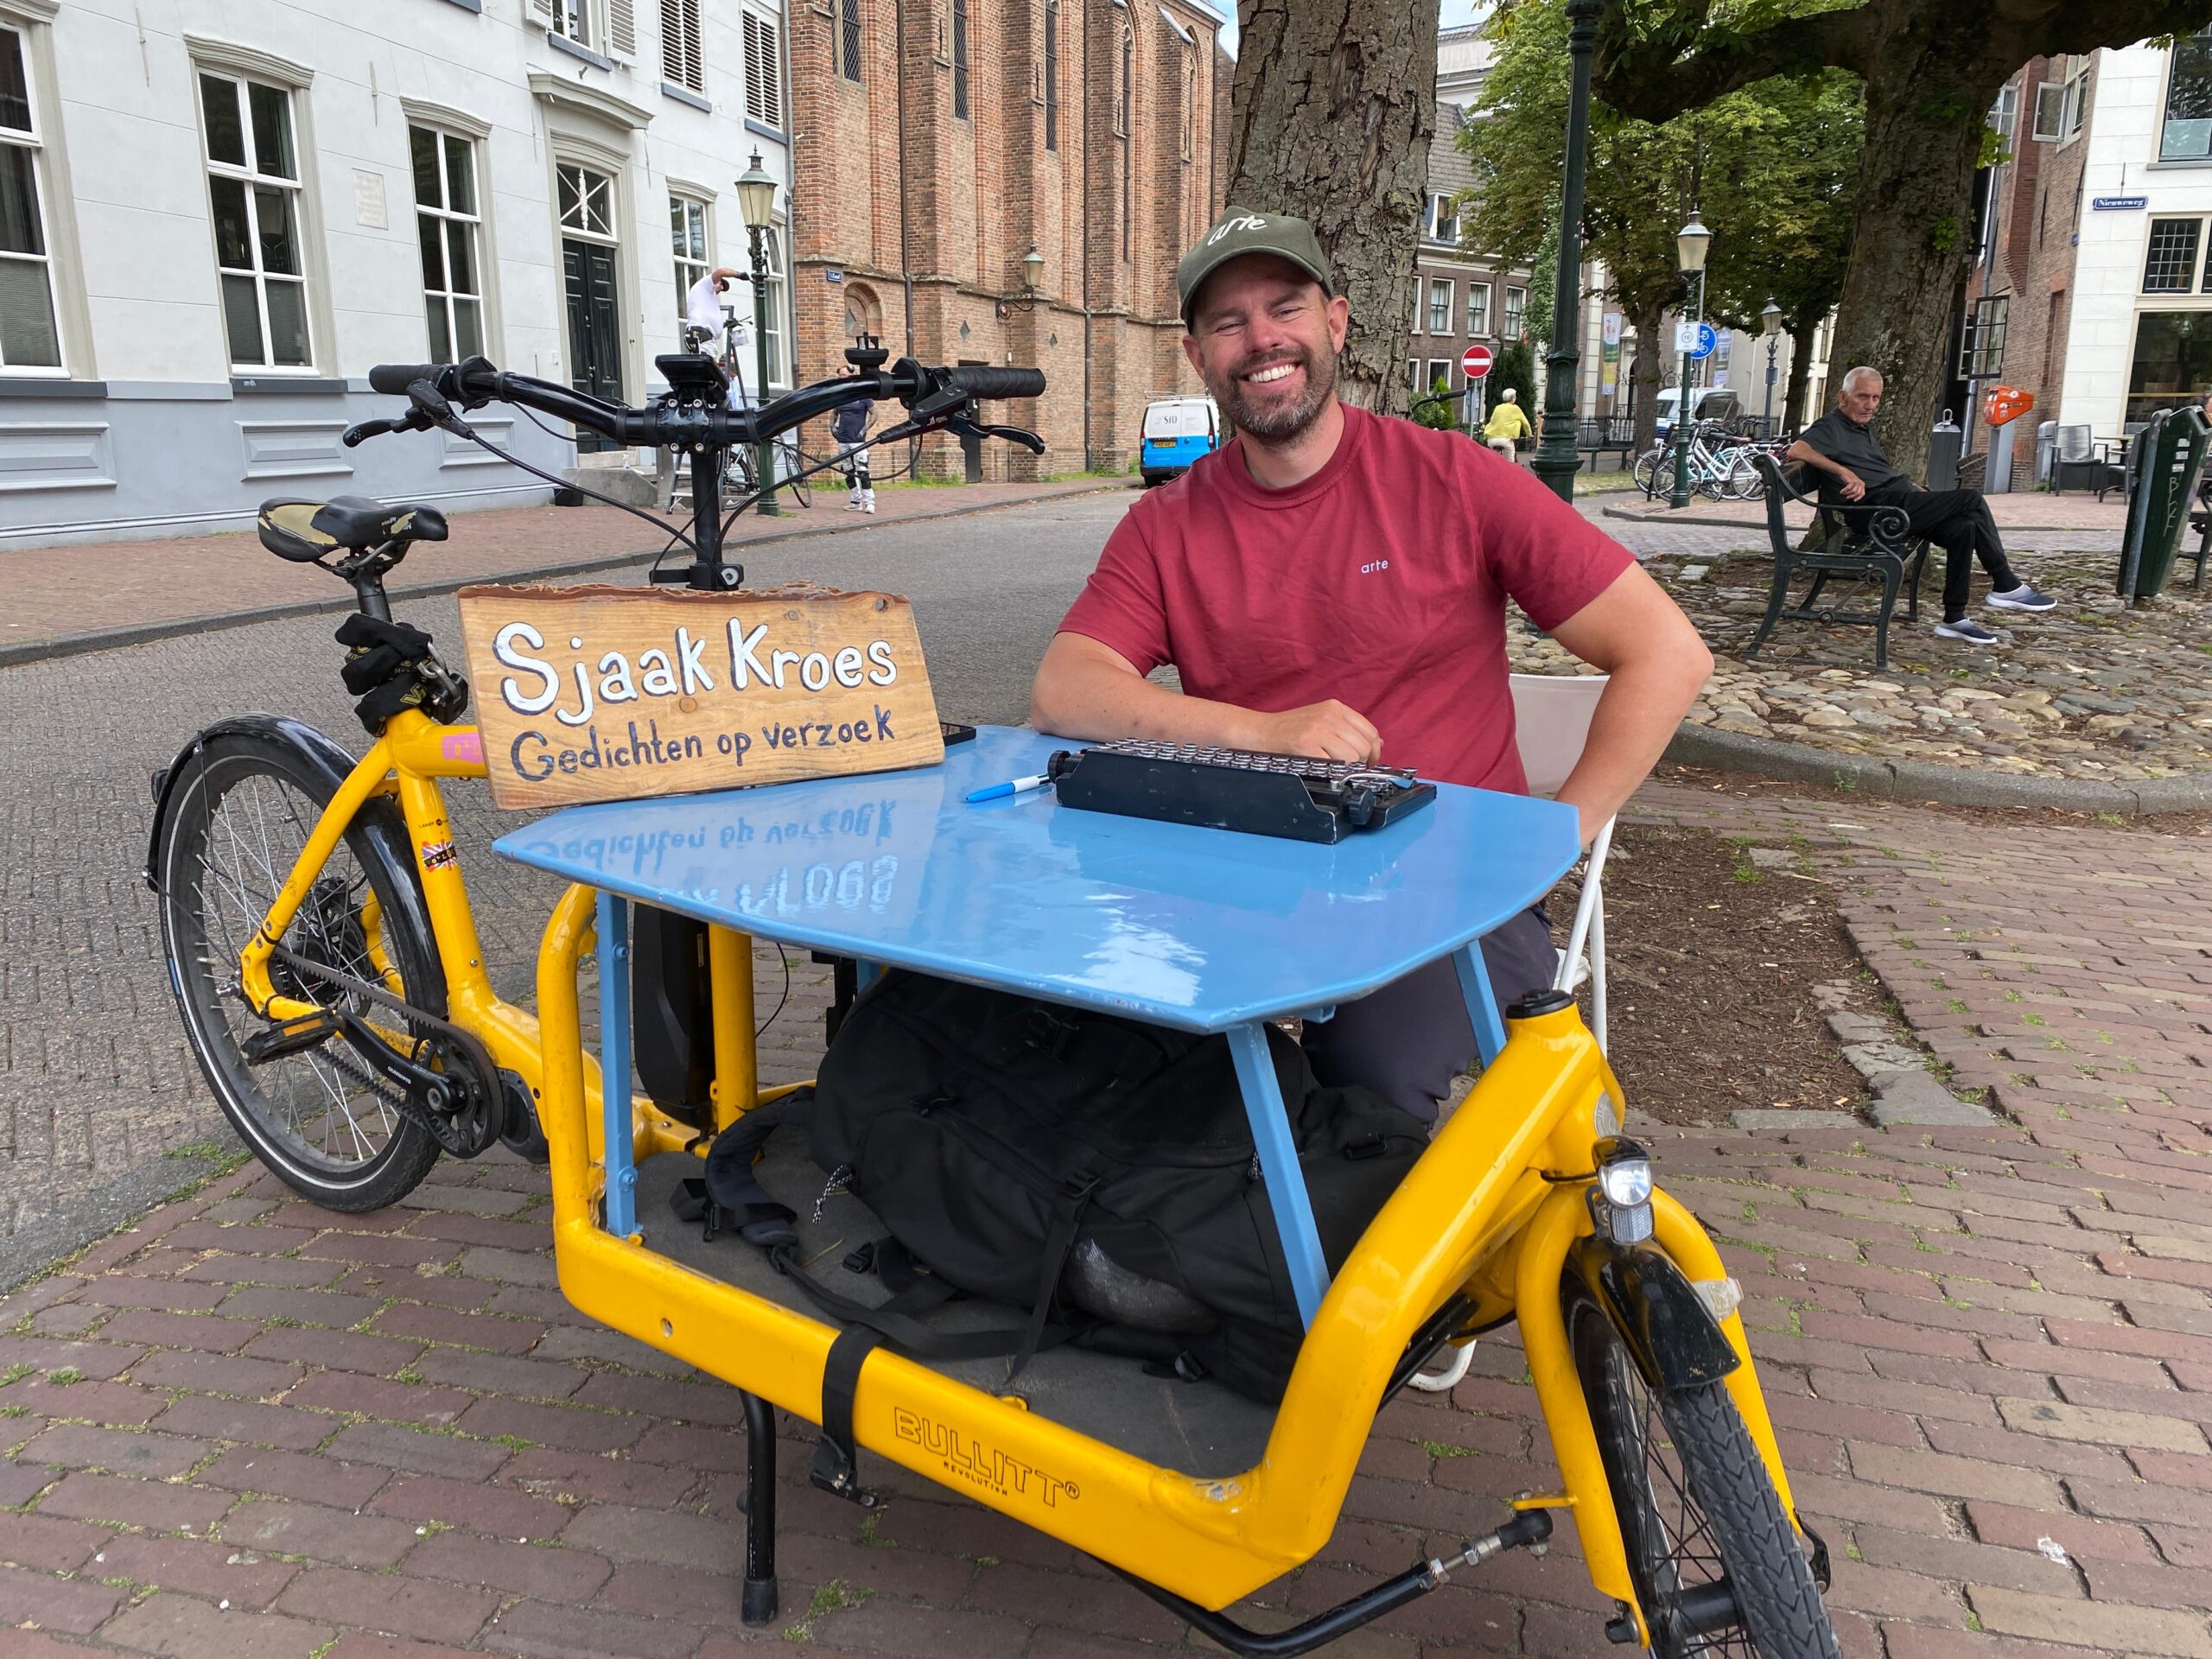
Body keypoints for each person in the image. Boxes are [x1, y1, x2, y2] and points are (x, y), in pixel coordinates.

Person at [1027, 207, 1713, 1124]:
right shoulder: (1166, 524)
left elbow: (1667, 652)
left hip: (1450, 894)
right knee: (1092, 1030)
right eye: (1229, 323)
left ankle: (1351, 1208)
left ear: (1336, 322)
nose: (1262, 339)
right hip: (1240, 876)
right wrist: (1263, 732)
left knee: (1369, 1078)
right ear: (1197, 357)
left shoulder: (1453, 478)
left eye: (1286, 308)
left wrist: (1558, 838)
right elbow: (1064, 690)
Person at [1786, 367, 2054, 645]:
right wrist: (1844, 472)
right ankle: (2004, 582)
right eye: (1863, 397)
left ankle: (1954, 618)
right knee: (1971, 499)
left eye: (1876, 398)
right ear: (1843, 397)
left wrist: (1913, 487)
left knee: (1964, 527)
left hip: (1896, 503)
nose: (1870, 405)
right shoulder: (1830, 426)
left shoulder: (1861, 425)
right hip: (1878, 513)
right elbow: (1797, 450)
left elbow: (1877, 471)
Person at [834, 393, 875, 514]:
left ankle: (869, 503)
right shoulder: (841, 397)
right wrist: (832, 427)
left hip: (858, 442)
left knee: (862, 471)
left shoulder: (864, 397)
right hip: (843, 441)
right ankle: (856, 502)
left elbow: (874, 414)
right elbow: (834, 413)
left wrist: (864, 430)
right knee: (848, 471)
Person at [1483, 386, 1532, 461]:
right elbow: (1525, 423)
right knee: (1510, 463)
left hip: (1491, 440)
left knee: (1493, 461)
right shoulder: (1515, 408)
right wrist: (1529, 435)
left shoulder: (1497, 408)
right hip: (1506, 440)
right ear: (1513, 398)